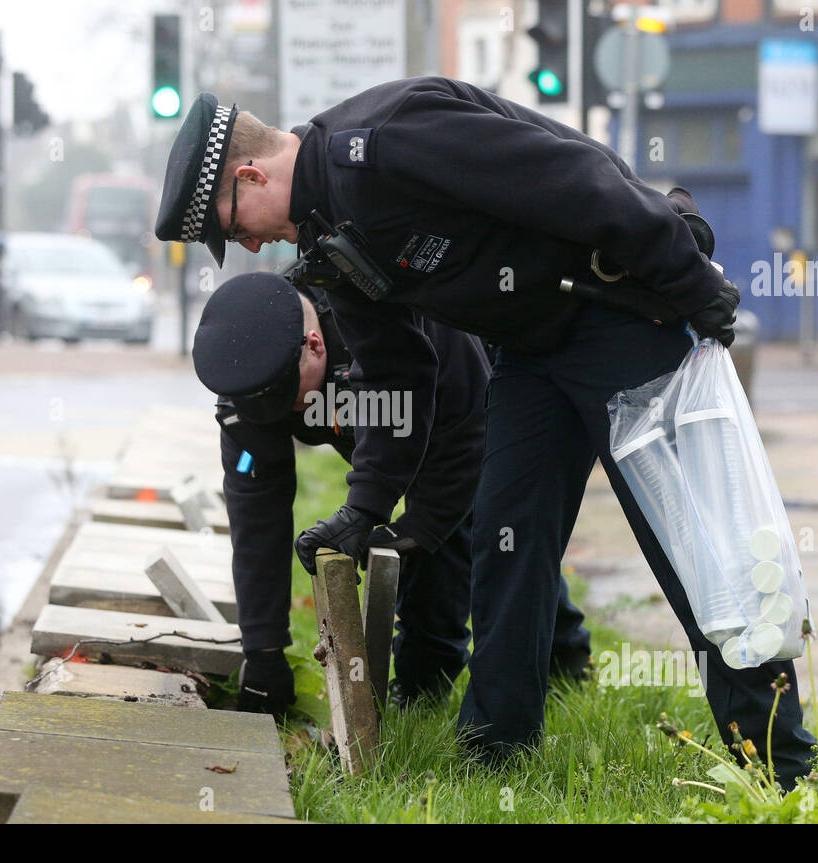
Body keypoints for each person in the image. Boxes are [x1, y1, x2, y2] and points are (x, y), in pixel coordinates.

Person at [154, 81, 815, 790]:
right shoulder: (327, 238)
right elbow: (400, 373)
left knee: (693, 545)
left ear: (249, 174)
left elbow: (571, 175)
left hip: (617, 315)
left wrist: (686, 278)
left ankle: (778, 773)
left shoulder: (385, 140)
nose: (250, 243)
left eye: (236, 225)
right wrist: (366, 509)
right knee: (506, 549)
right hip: (528, 354)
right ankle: (496, 756)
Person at [187, 269, 592, 718]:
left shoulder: (388, 318)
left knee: (482, 525)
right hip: (394, 421)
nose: (293, 418)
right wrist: (263, 652)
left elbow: (462, 449)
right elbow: (256, 520)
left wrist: (412, 533)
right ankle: (532, 659)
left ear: (316, 346)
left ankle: (468, 676)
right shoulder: (251, 382)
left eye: (296, 402)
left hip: (470, 406)